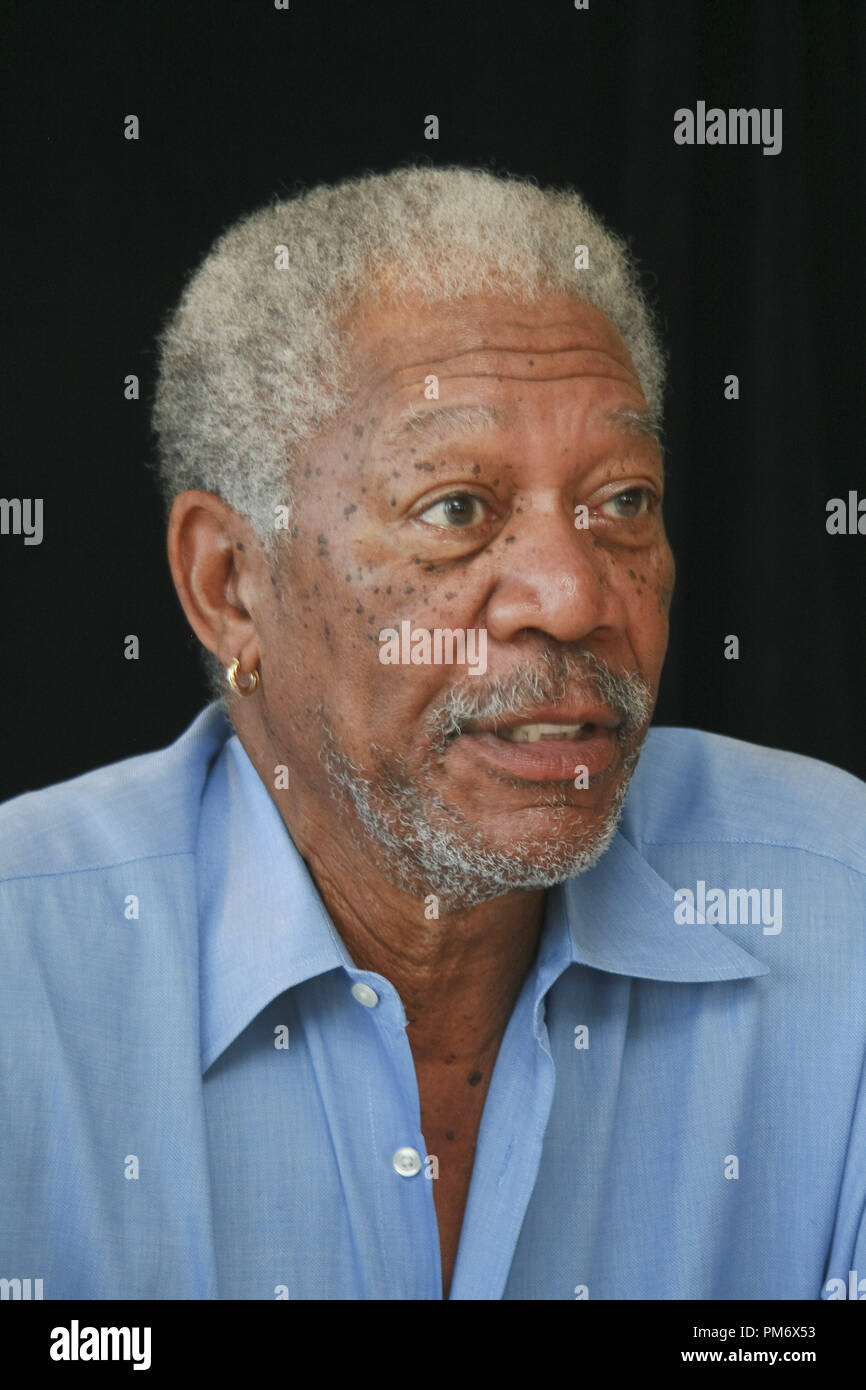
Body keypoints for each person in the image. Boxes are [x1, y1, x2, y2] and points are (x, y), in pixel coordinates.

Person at [1, 165, 863, 1301]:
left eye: (622, 502)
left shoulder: (836, 913)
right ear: (228, 585)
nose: (570, 597)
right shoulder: (27, 968)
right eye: (455, 509)